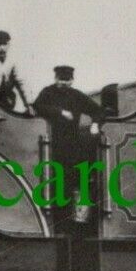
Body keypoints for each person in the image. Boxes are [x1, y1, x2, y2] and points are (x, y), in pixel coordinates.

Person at [32, 65, 107, 226]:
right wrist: (60, 112)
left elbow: (98, 110)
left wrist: (95, 124)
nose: (64, 83)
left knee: (74, 181)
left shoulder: (77, 96)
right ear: (55, 79)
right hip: (52, 146)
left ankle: (74, 220)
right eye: (61, 80)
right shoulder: (47, 92)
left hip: (72, 146)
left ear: (72, 81)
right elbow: (38, 106)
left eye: (67, 80)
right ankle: (59, 220)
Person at [0, 30, 30, 112]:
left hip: (7, 103)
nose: (2, 48)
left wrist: (29, 104)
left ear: (8, 45)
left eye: (4, 44)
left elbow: (21, 82)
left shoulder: (12, 62)